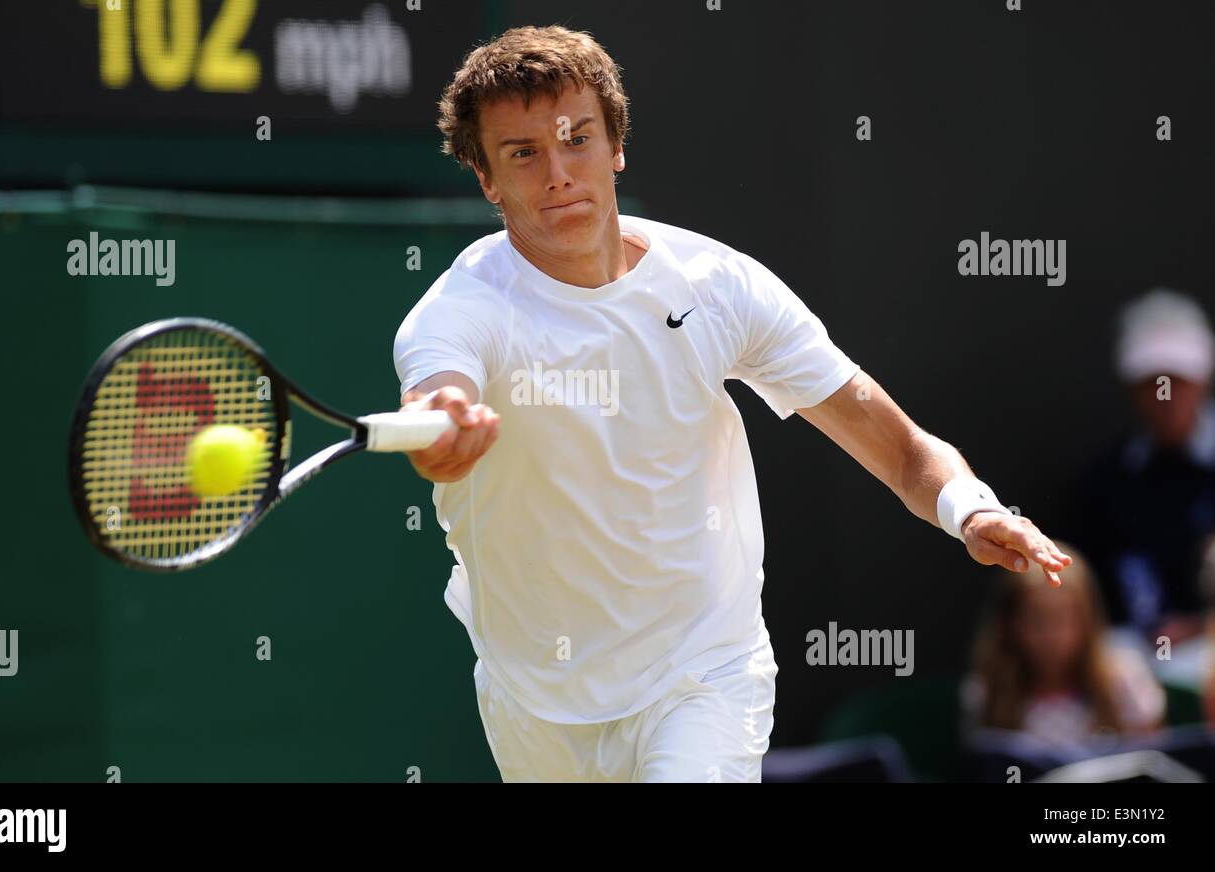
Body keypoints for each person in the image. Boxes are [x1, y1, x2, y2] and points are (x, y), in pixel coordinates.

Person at [392, 25, 1070, 782]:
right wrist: (444, 430)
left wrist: (970, 509)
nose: (558, 173)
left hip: (703, 674)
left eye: (577, 139)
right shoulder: (458, 310)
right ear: (487, 179)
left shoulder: (720, 288)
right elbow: (439, 393)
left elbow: (904, 450)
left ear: (616, 146)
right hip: (533, 702)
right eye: (523, 154)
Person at [1065, 289, 1215, 643]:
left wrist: (1200, 628)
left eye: (1178, 380)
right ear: (1131, 389)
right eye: (1151, 382)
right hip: (1129, 663)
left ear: (1202, 380)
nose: (1166, 396)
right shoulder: (1104, 484)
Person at [963, 540, 1165, 749]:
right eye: (1038, 620)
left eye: (1068, 619)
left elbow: (1151, 760)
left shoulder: (1125, 683)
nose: (1054, 636)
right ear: (1011, 623)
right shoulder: (988, 692)